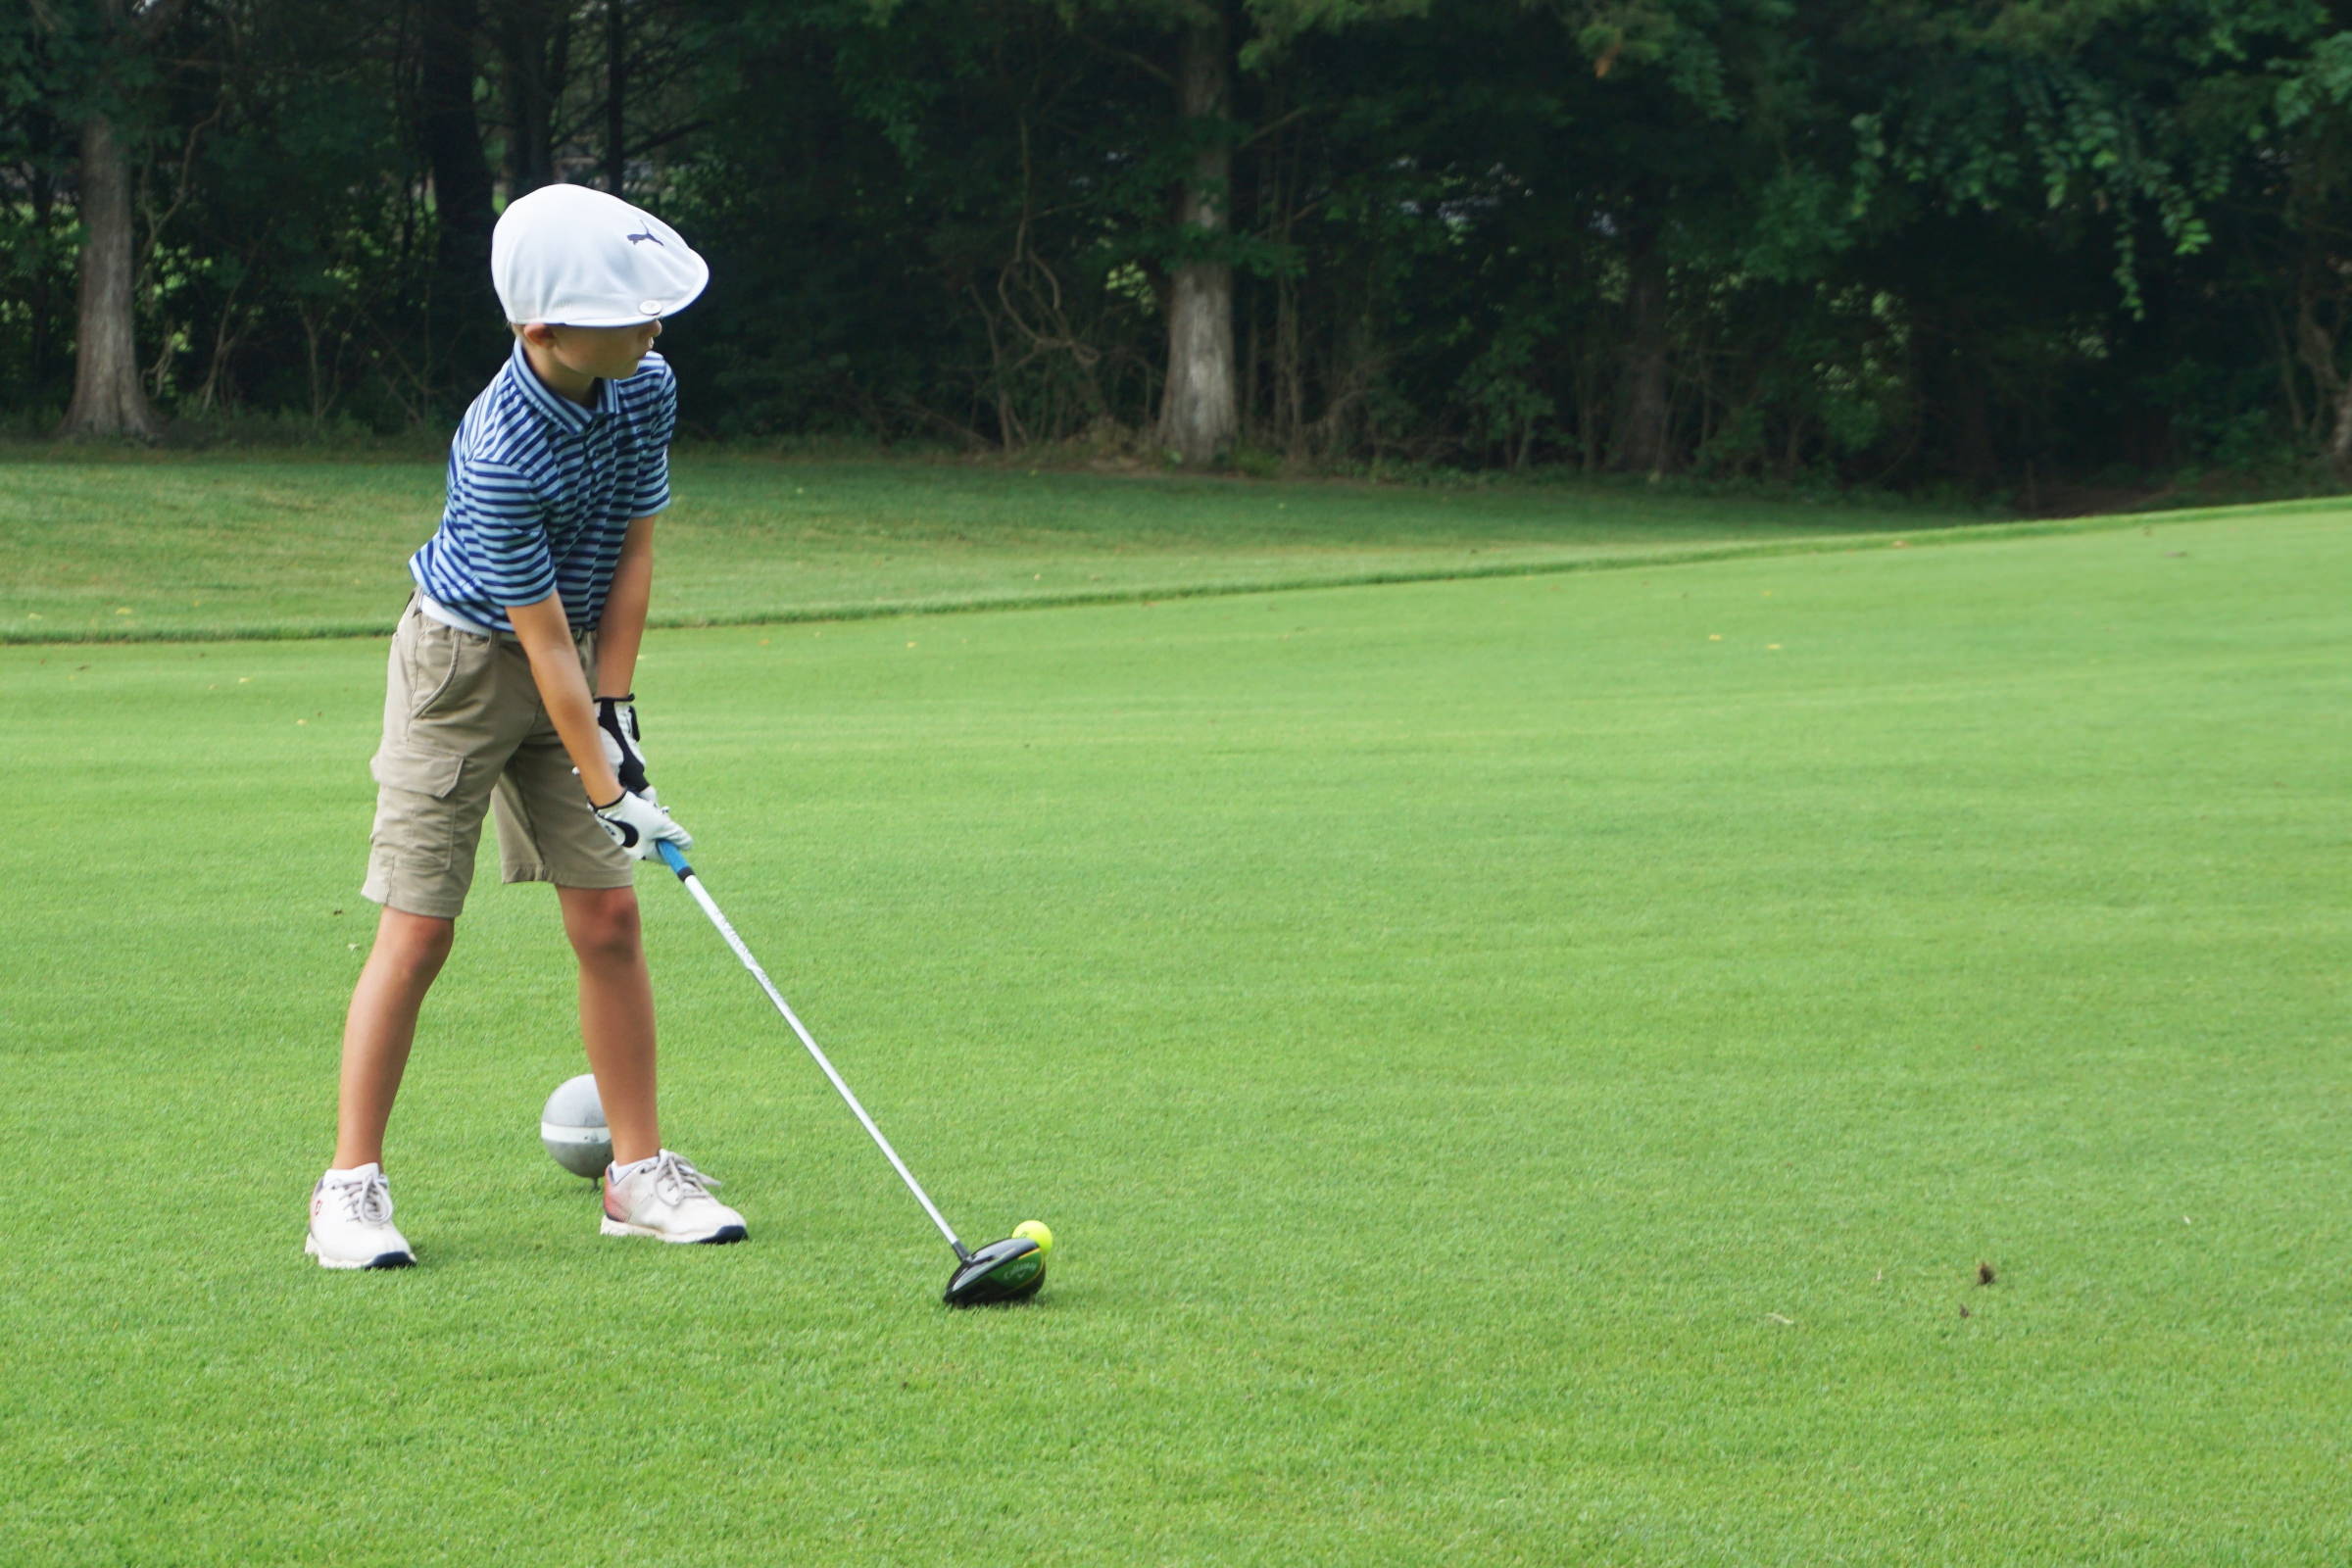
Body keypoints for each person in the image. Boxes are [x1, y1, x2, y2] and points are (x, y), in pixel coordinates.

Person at [306, 182, 746, 1268]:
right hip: (461, 670)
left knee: (610, 922)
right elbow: (534, 639)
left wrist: (619, 712)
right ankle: (348, 1189)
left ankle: (635, 1175)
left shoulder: (645, 383)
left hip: (575, 663)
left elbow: (635, 550)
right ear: (543, 329)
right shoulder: (499, 445)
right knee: (419, 930)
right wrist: (604, 780)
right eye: (629, 308)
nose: (654, 323)